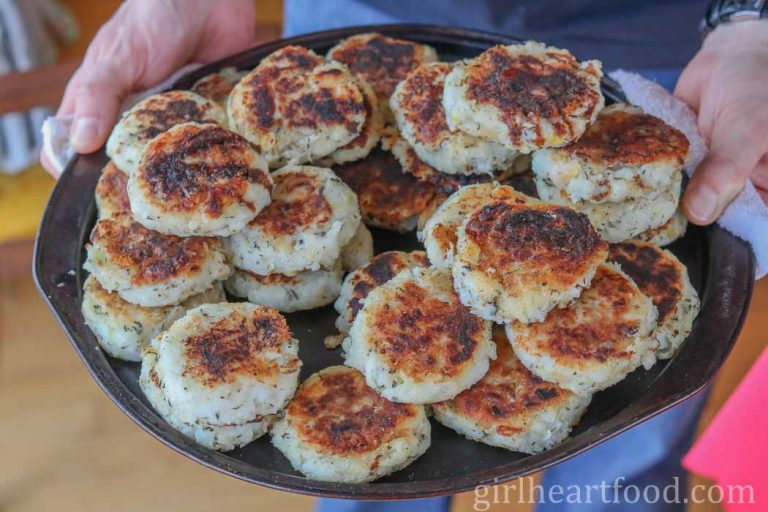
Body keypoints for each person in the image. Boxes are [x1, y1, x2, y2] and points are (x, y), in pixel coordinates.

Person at [42, 0, 768, 510]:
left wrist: (751, 24)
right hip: (356, 29)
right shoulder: (314, 116)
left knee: (623, 462)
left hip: (658, 48)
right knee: (366, 475)